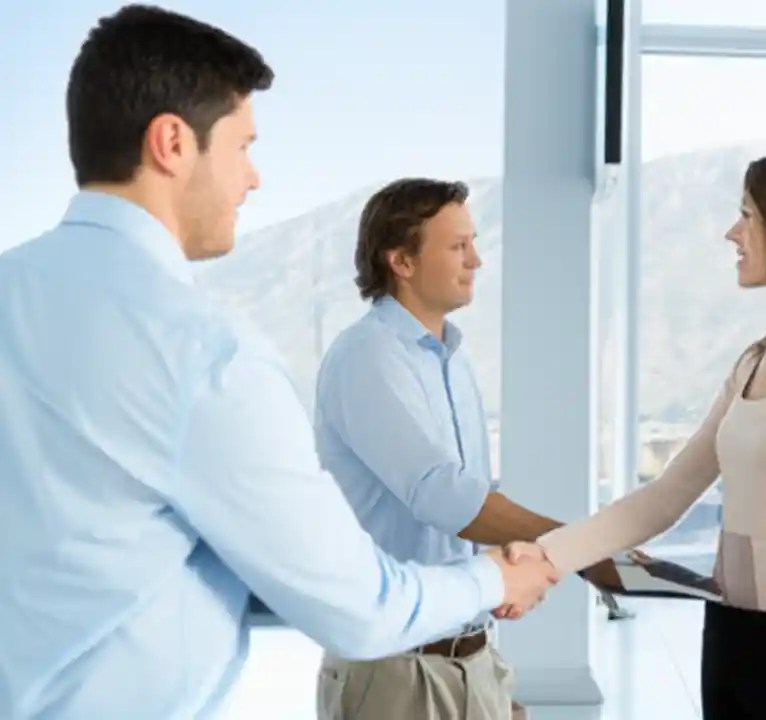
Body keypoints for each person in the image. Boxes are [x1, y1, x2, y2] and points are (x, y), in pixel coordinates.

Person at [0, 7, 556, 719]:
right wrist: (493, 579)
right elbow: (358, 606)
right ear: (171, 142)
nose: (254, 178)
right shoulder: (206, 355)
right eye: (242, 146)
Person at [509, 147, 766, 719]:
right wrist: (545, 555)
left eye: (748, 215)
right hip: (731, 640)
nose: (733, 233)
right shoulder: (755, 359)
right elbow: (663, 499)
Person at [312, 178, 619, 720]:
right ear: (402, 262)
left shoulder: (451, 358)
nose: (476, 259)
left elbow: (457, 521)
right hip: (396, 673)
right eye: (458, 246)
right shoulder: (367, 356)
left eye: (473, 242)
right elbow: (441, 497)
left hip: (467, 656)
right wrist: (573, 547)